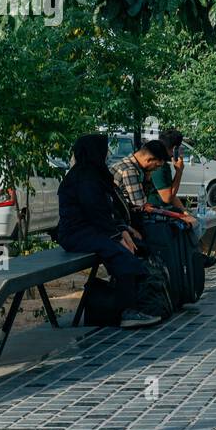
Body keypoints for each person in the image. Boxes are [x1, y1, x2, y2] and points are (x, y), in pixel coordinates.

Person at [56, 134, 160, 328]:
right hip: (76, 234)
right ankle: (126, 312)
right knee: (121, 254)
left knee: (138, 247)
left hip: (94, 229)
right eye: (104, 151)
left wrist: (123, 229)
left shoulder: (96, 174)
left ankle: (141, 303)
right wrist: (117, 236)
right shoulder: (83, 178)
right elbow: (94, 211)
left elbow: (111, 208)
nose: (107, 156)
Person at [152, 128, 216, 268]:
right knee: (195, 225)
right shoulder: (159, 165)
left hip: (164, 208)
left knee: (197, 221)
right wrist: (180, 172)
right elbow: (167, 197)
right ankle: (193, 257)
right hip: (156, 209)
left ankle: (195, 255)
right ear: (175, 148)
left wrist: (184, 211)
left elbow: (171, 194)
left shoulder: (163, 162)